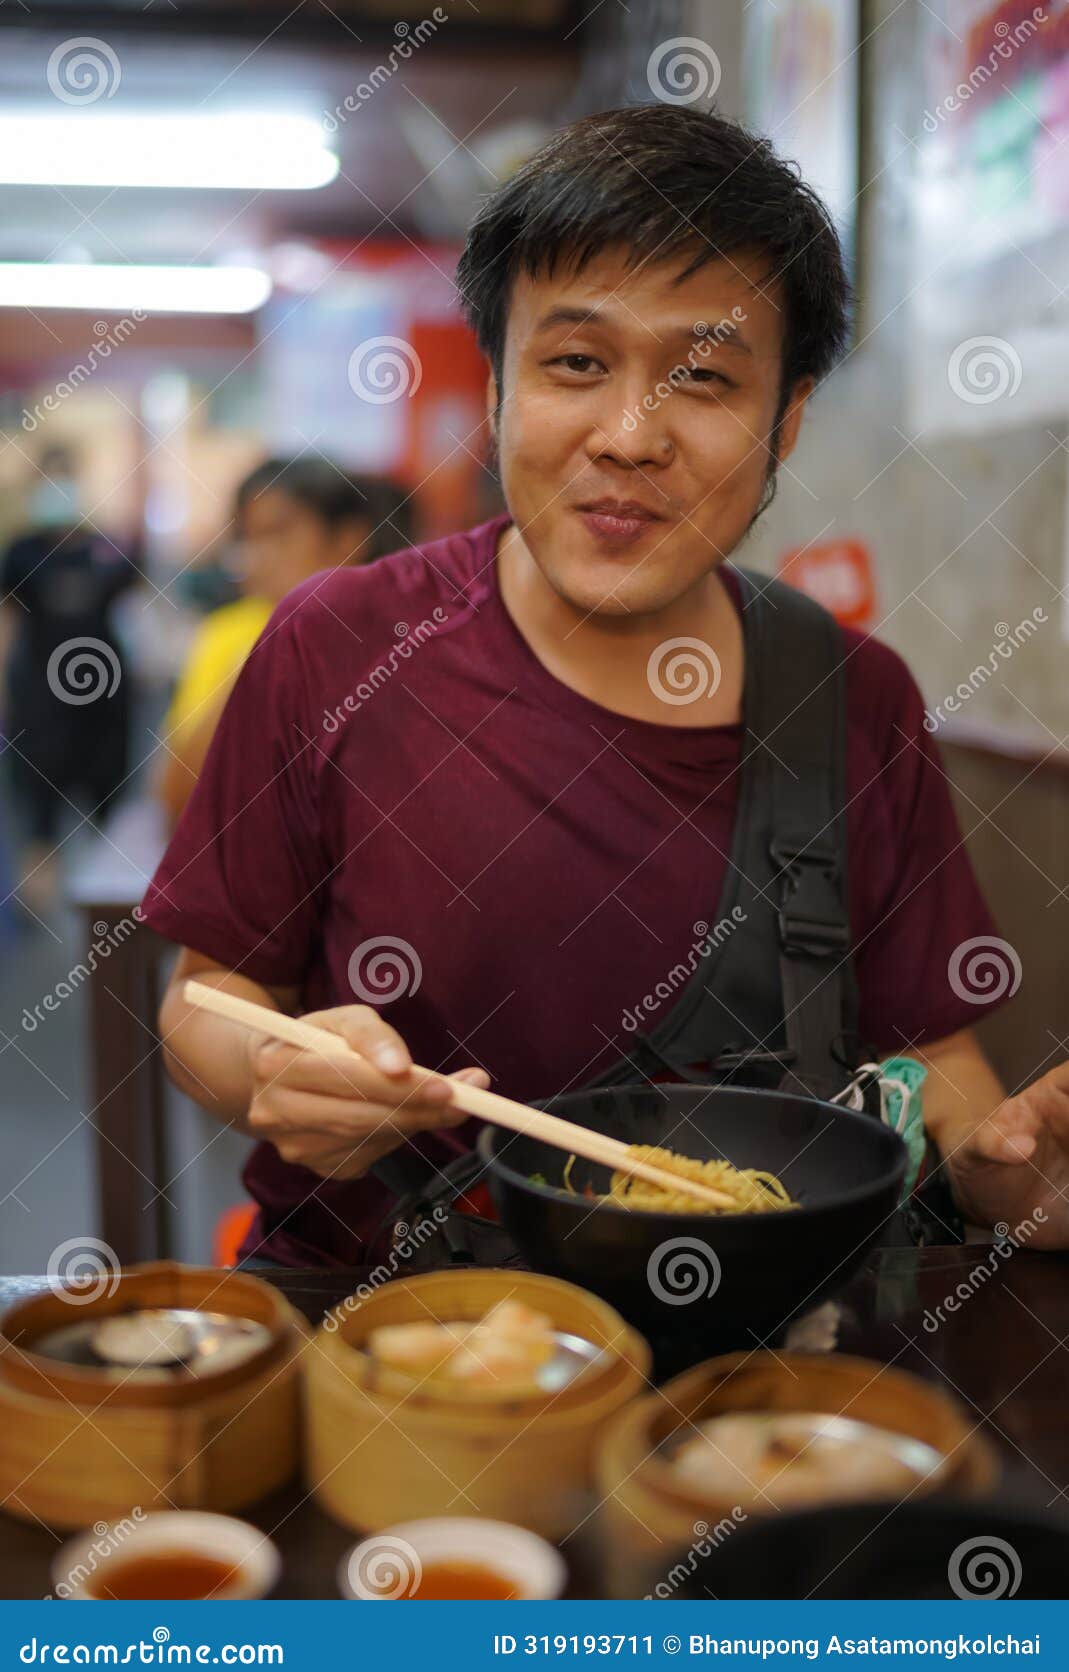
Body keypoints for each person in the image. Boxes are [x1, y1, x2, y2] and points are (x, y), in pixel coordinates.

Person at [142, 105, 1067, 1270]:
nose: (629, 436)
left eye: (704, 380)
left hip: (744, 1355)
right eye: (575, 363)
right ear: (496, 389)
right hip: (387, 1338)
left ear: (785, 421)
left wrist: (1005, 1177)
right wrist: (273, 1073)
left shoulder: (854, 698)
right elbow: (207, 997)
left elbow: (933, 1055)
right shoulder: (336, 644)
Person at [155, 457, 406, 825]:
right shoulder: (228, 635)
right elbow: (178, 801)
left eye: (278, 534)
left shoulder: (398, 638)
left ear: (348, 539)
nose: (257, 559)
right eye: (249, 538)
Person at [0, 446, 137, 912]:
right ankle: (39, 930)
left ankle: (113, 916)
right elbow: (7, 621)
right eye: (50, 478)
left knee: (111, 808)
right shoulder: (21, 553)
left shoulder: (108, 548)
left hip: (104, 699)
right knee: (39, 816)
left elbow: (141, 612)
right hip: (39, 702)